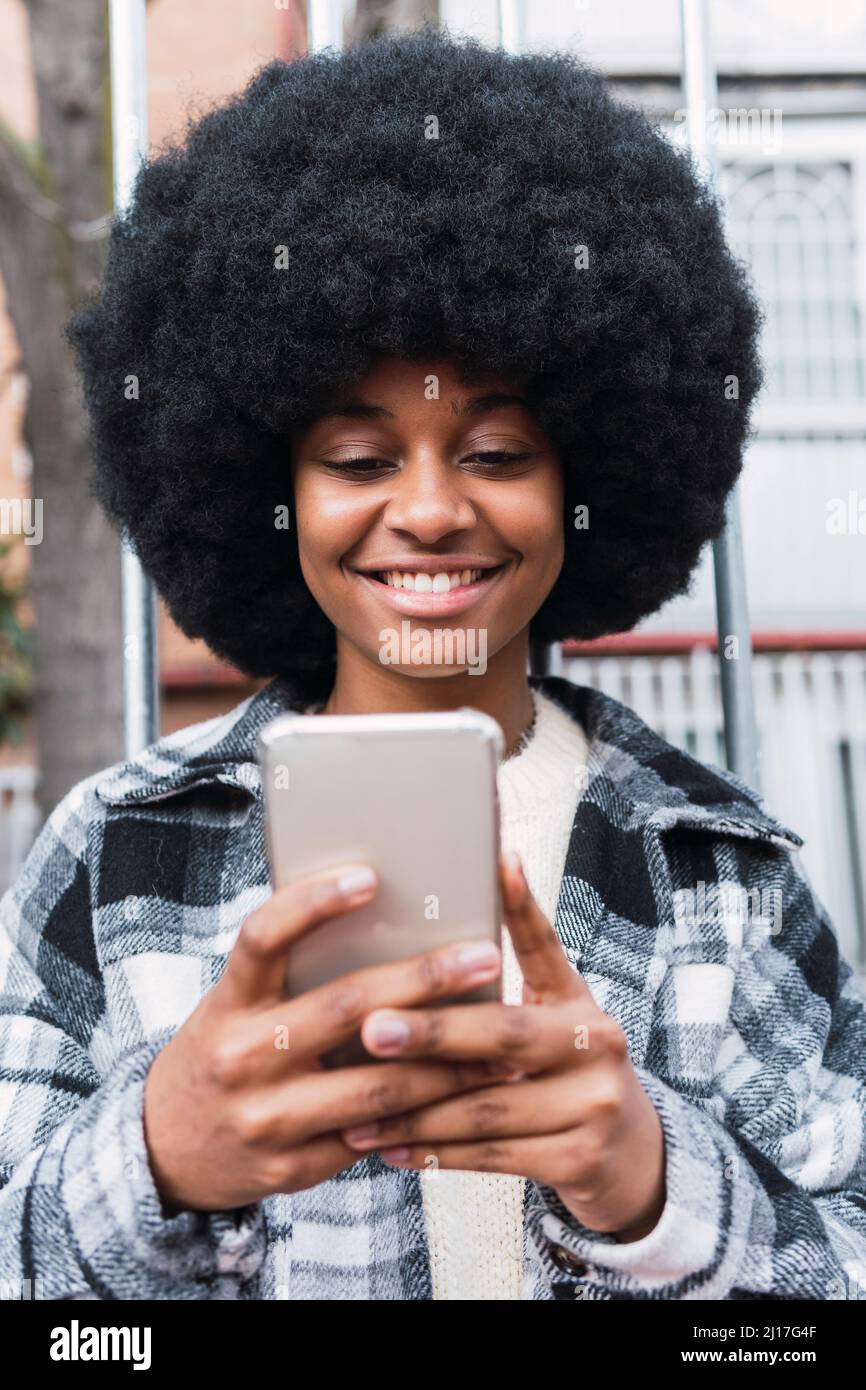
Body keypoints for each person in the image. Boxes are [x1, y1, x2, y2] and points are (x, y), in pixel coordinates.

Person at [1, 28, 864, 1302]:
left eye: (497, 453)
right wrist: (155, 1158)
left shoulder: (725, 874)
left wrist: (652, 1182)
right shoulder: (113, 848)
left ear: (585, 474)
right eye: (356, 460)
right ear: (265, 490)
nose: (427, 510)